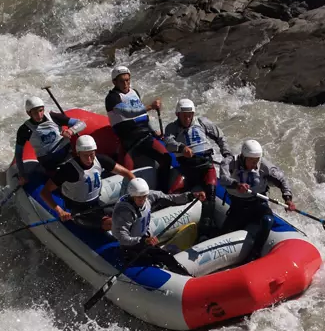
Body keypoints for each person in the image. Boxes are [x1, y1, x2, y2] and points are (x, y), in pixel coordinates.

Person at [163, 98, 234, 234]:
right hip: (186, 169)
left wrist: (226, 152)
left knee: (211, 193)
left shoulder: (202, 123)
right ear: (178, 115)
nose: (188, 118)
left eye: (190, 114)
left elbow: (220, 136)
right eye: (185, 115)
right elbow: (168, 142)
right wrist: (181, 148)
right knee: (173, 193)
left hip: (206, 165)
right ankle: (169, 223)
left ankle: (206, 228)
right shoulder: (172, 128)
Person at [219, 139, 296, 260]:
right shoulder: (230, 162)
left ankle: (255, 254)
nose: (255, 164)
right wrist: (236, 185)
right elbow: (223, 179)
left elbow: (282, 180)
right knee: (223, 235)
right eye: (252, 161)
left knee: (268, 220)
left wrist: (288, 198)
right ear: (243, 157)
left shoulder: (264, 165)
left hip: (257, 203)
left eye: (257, 160)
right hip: (238, 205)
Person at [111, 178, 205, 275]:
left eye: (144, 196)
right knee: (158, 259)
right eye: (139, 198)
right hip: (129, 247)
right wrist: (143, 241)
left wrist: (191, 196)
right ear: (132, 196)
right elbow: (122, 238)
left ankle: (187, 277)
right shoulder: (124, 211)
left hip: (144, 240)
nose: (143, 200)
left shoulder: (149, 196)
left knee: (166, 257)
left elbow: (171, 199)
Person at [40, 135, 136, 230]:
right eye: (85, 155)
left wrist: (136, 187)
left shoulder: (101, 159)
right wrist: (60, 211)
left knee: (126, 215)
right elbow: (45, 192)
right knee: (111, 223)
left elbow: (127, 173)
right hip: (77, 210)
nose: (89, 159)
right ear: (78, 153)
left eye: (91, 154)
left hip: (96, 203)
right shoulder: (69, 170)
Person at [105, 65, 173, 192]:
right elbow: (128, 112)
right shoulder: (112, 98)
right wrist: (150, 106)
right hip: (128, 143)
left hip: (145, 136)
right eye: (122, 81)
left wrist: (154, 132)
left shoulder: (134, 92)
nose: (126, 84)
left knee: (166, 158)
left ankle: (161, 192)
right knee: (128, 174)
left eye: (128, 80)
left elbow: (143, 116)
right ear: (114, 82)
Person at [16, 96, 86, 185]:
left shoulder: (53, 117)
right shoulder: (24, 130)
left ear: (44, 109)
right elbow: (18, 154)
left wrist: (70, 131)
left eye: (41, 110)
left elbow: (82, 123)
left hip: (68, 157)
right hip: (49, 165)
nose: (39, 115)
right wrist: (22, 174)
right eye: (35, 113)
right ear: (28, 113)